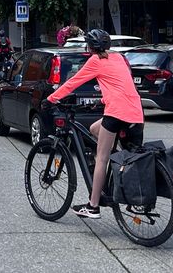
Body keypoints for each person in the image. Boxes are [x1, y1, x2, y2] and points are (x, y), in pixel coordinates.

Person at [45, 29, 144, 219]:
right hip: (136, 113)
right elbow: (121, 85)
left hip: (116, 113)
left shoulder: (95, 60)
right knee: (93, 129)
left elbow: (73, 82)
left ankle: (93, 206)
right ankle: (115, 167)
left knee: (101, 159)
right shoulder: (119, 58)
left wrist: (51, 99)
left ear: (90, 47)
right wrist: (102, 100)